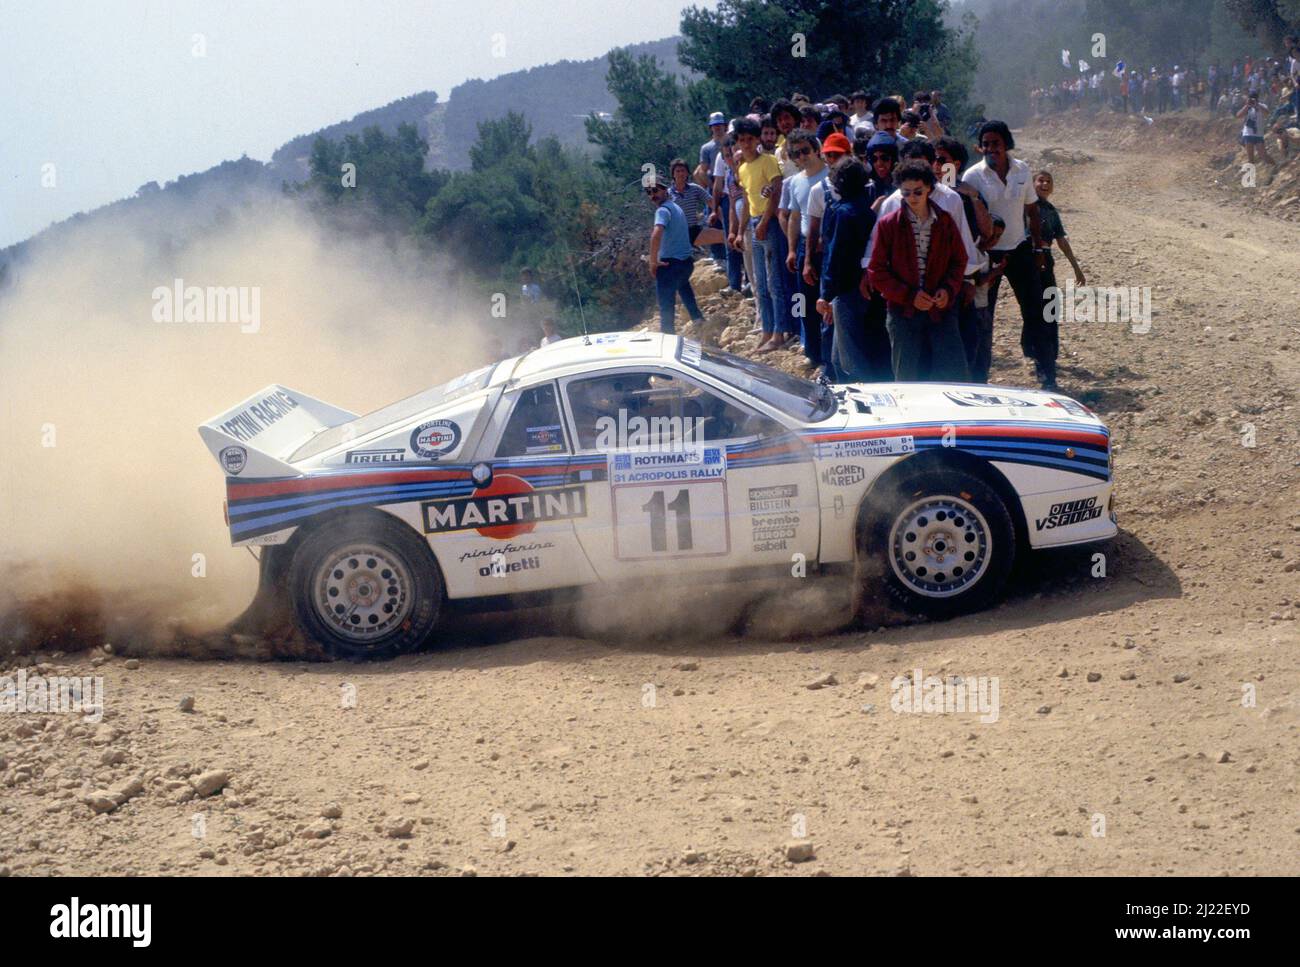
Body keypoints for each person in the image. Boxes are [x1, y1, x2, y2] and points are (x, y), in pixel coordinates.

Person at [962, 121, 1050, 388]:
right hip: (988, 255)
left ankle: (1046, 372)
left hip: (1020, 251)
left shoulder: (1022, 169)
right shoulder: (972, 177)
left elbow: (1032, 210)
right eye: (986, 144)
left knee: (1035, 311)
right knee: (983, 317)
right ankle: (978, 379)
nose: (991, 149)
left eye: (996, 143)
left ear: (1006, 144)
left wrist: (1038, 247)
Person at [867, 161, 968, 382]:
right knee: (907, 377)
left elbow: (959, 261)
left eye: (918, 192)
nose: (912, 197)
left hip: (940, 309)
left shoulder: (945, 221)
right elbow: (876, 270)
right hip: (903, 312)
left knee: (953, 373)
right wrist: (909, 296)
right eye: (906, 193)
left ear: (929, 189)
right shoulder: (888, 224)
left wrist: (948, 290)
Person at [817, 158, 880, 382]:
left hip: (845, 291)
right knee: (839, 357)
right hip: (862, 288)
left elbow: (835, 257)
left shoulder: (842, 213)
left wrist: (825, 294)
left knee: (850, 359)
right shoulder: (867, 211)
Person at [734, 117, 788, 352]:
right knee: (760, 283)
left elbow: (776, 191)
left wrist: (766, 221)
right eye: (742, 140)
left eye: (750, 139)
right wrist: (738, 230)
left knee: (775, 282)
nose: (746, 144)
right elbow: (746, 200)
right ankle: (767, 330)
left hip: (770, 222)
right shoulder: (742, 168)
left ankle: (780, 332)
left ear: (757, 140)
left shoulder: (767, 161)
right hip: (754, 225)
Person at [1031, 171, 1084, 392]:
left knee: (1050, 310)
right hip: (1030, 262)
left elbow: (1061, 240)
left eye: (1048, 181)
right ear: (1033, 184)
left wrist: (1076, 267)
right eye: (1040, 180)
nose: (1044, 184)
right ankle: (1041, 363)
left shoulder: (1051, 211)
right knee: (1036, 312)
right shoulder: (1027, 207)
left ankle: (1049, 356)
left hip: (1047, 263)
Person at [783, 130, 829, 369]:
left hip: (828, 245)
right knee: (803, 300)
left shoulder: (831, 176)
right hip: (803, 246)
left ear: (815, 149)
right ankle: (812, 352)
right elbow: (794, 216)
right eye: (796, 154)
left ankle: (830, 355)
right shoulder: (795, 182)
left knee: (828, 301)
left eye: (805, 151)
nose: (802, 157)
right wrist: (791, 249)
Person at [646, 175, 712, 340]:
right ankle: (698, 320)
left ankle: (667, 339)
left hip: (670, 266)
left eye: (655, 190)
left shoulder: (663, 210)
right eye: (649, 192)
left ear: (665, 190)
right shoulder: (676, 208)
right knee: (683, 286)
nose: (652, 195)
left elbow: (656, 235)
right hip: (686, 263)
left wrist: (653, 262)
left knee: (666, 305)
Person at [668, 158, 724, 249]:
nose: (681, 174)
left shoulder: (695, 189)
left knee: (724, 236)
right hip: (677, 234)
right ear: (673, 174)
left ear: (687, 173)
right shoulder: (668, 194)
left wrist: (724, 221)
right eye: (677, 171)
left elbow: (713, 203)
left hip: (694, 231)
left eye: (683, 171)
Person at [1237, 91, 1275, 166]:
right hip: (1248, 133)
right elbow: (1238, 115)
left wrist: (1257, 105)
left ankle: (1275, 166)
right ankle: (1252, 176)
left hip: (1258, 134)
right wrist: (1247, 106)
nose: (1252, 100)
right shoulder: (1247, 107)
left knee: (1264, 155)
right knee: (1251, 159)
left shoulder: (1262, 105)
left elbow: (1267, 113)